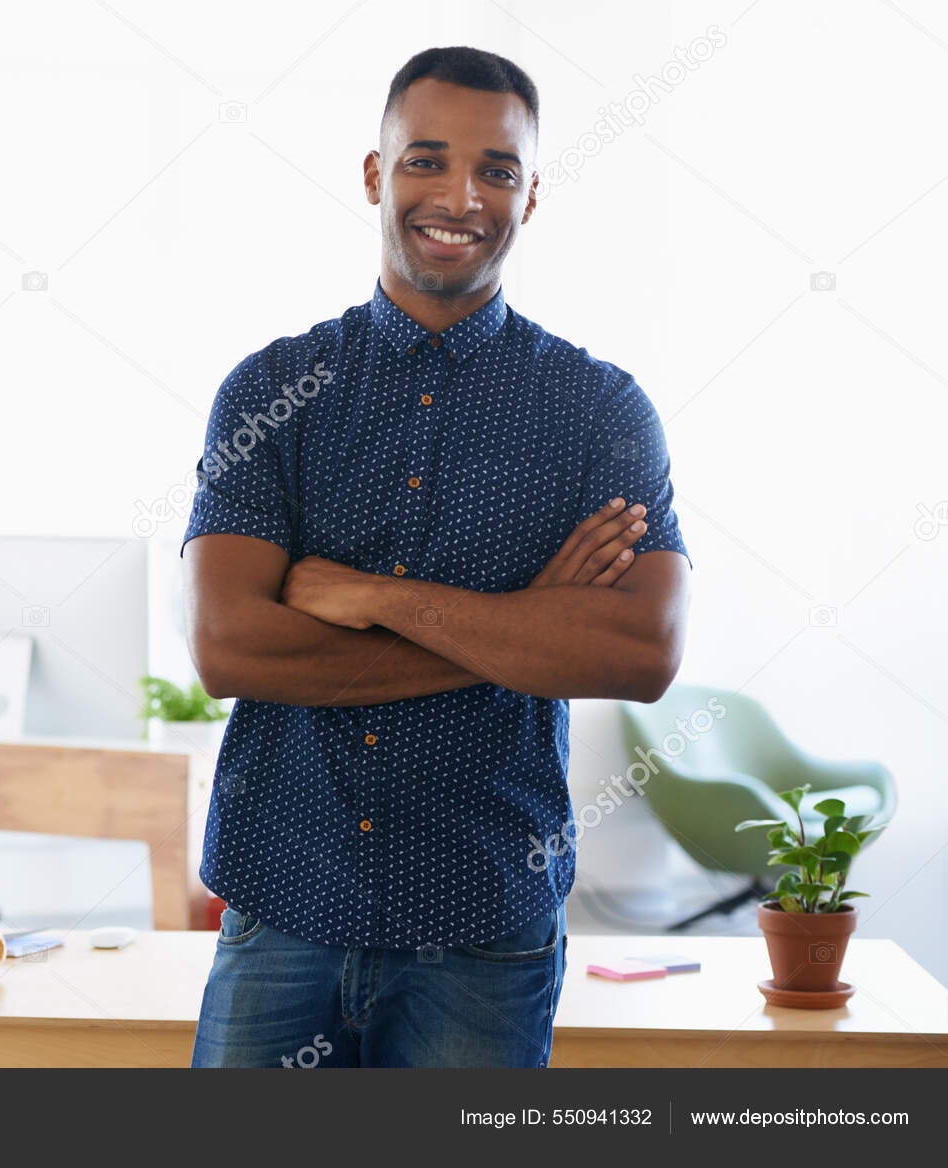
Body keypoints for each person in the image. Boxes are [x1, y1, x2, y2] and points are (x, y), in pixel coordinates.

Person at [182, 45, 692, 1068]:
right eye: (425, 160)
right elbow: (230, 647)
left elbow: (640, 652)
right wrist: (524, 624)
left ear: (530, 195)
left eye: (496, 170)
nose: (460, 196)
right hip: (285, 905)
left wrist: (372, 596)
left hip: (484, 928)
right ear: (375, 175)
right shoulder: (271, 392)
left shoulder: (598, 410)